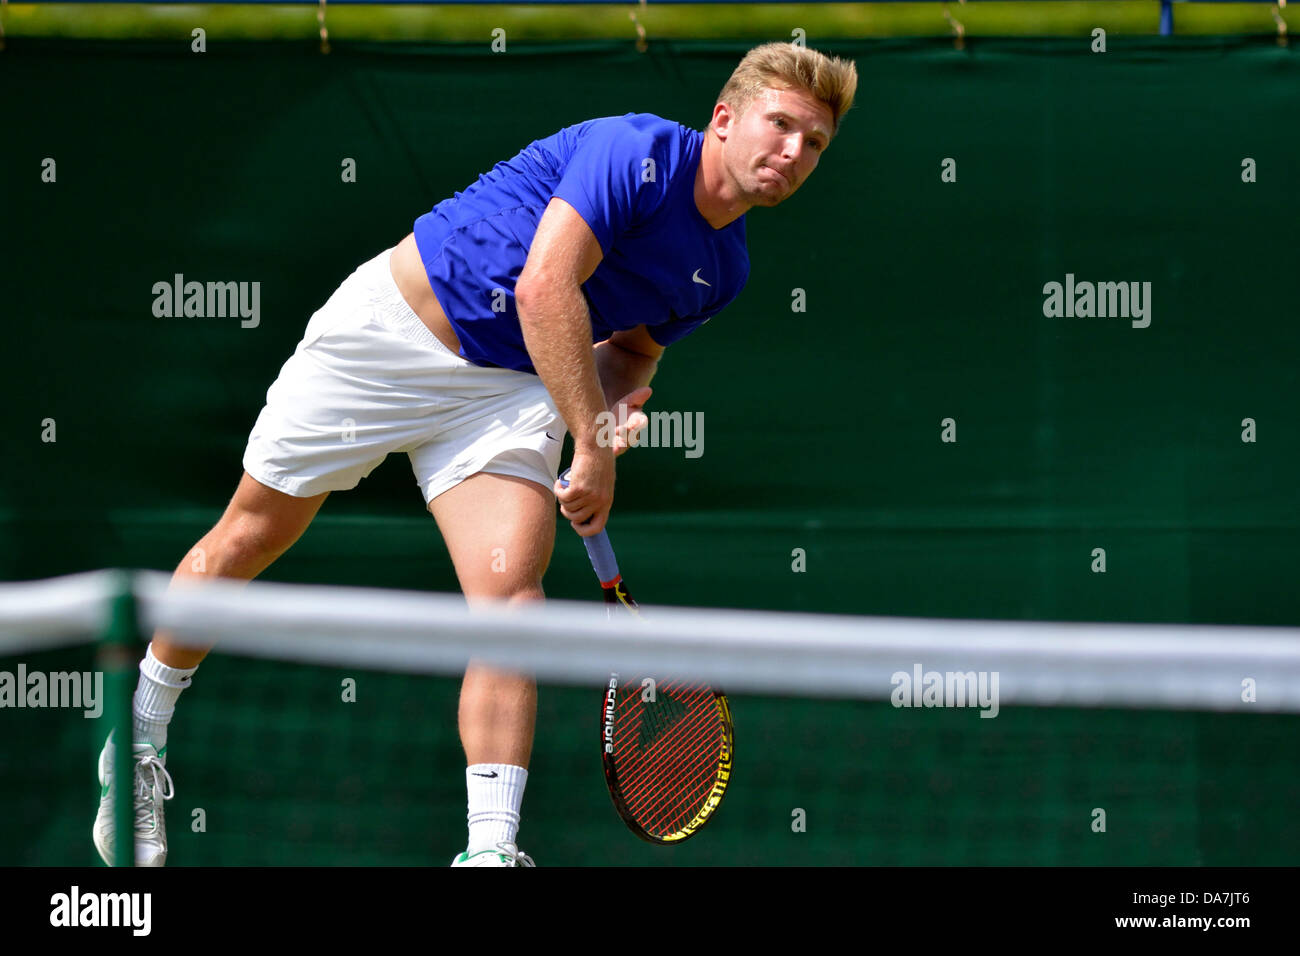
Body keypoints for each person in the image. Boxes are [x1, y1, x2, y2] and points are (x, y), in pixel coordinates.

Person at [93, 41, 857, 867]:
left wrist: (610, 404)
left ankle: (490, 850)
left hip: (505, 391)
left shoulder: (726, 267)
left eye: (814, 143)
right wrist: (594, 446)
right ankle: (138, 739)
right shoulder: (634, 153)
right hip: (391, 338)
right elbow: (543, 288)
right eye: (781, 125)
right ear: (724, 118)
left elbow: (631, 351)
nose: (792, 153)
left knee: (510, 599)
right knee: (249, 536)